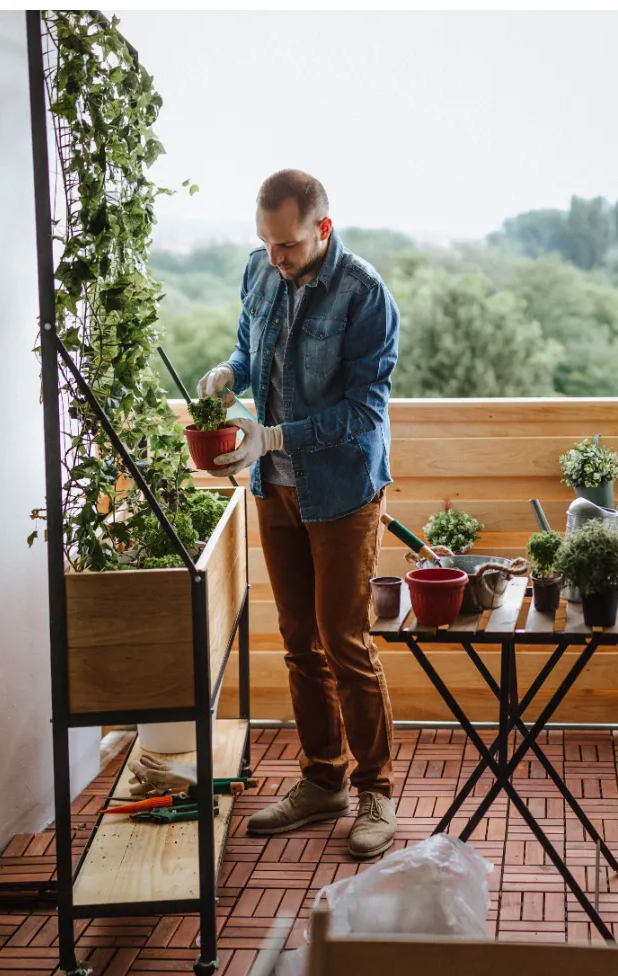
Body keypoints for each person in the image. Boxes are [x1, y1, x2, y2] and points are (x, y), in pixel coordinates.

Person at [197, 169, 400, 858]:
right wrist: (230, 373)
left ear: (323, 228)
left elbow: (365, 410)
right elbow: (249, 350)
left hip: (341, 490)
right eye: (266, 242)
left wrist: (276, 437)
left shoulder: (364, 293)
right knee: (298, 639)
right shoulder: (260, 269)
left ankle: (376, 789)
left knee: (344, 640)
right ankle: (322, 779)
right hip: (274, 487)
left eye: (287, 244)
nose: (275, 257)